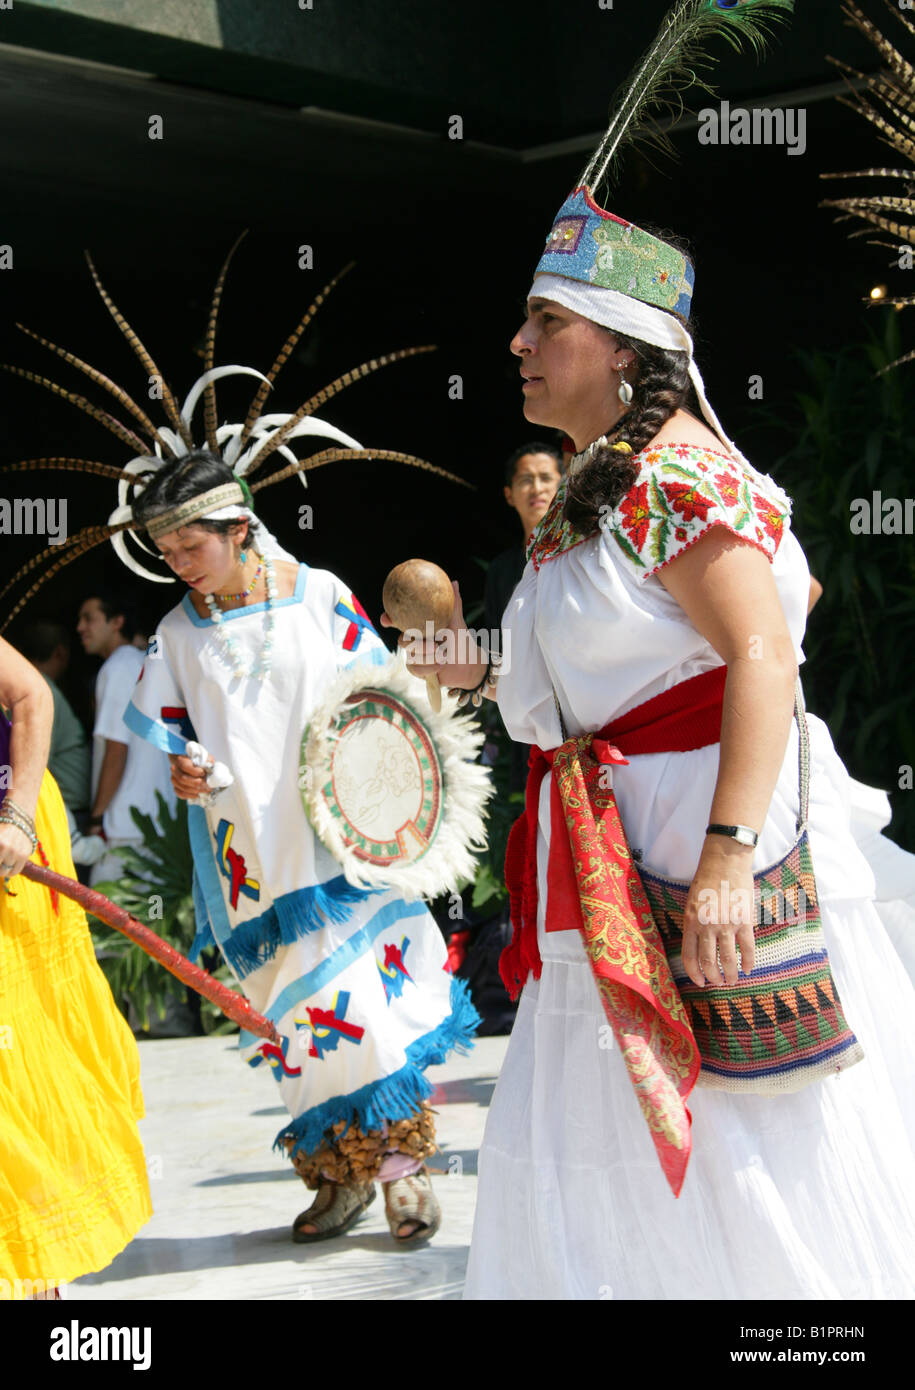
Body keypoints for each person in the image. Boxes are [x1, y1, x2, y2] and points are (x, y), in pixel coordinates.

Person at [404, 187, 915, 1297]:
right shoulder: (602, 482)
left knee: (741, 1139)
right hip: (618, 844)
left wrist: (730, 857)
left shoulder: (675, 472)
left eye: (547, 321)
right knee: (634, 1134)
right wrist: (482, 668)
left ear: (627, 351)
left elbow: (765, 649)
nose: (519, 342)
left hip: (692, 838)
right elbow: (631, 657)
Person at [124, 451, 479, 1245]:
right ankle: (336, 1175)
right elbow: (178, 736)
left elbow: (380, 697)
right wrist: (186, 771)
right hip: (250, 856)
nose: (179, 566)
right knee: (297, 1024)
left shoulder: (318, 595)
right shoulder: (178, 634)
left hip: (340, 841)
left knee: (357, 1006)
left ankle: (401, 1171)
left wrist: (395, 800)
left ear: (240, 527)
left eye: (193, 547)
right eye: (168, 553)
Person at [0, 634, 152, 1300]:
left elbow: (30, 693)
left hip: (13, 839)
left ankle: (32, 1269)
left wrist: (16, 816)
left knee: (21, 1049)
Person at [76, 591, 175, 886]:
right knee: (149, 923)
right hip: (156, 819)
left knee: (108, 924)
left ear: (117, 622)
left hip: (125, 824)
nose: (80, 627)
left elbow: (116, 749)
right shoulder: (142, 663)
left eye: (89, 618)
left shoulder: (118, 667)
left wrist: (95, 819)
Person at [482, 441, 565, 639]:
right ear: (509, 495)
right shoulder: (500, 570)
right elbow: (496, 647)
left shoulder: (584, 552)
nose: (537, 488)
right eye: (526, 480)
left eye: (546, 478)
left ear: (563, 485)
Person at [17, 620, 91, 822]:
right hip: (56, 813)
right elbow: (36, 758)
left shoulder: (27, 688)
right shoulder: (41, 691)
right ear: (60, 652)